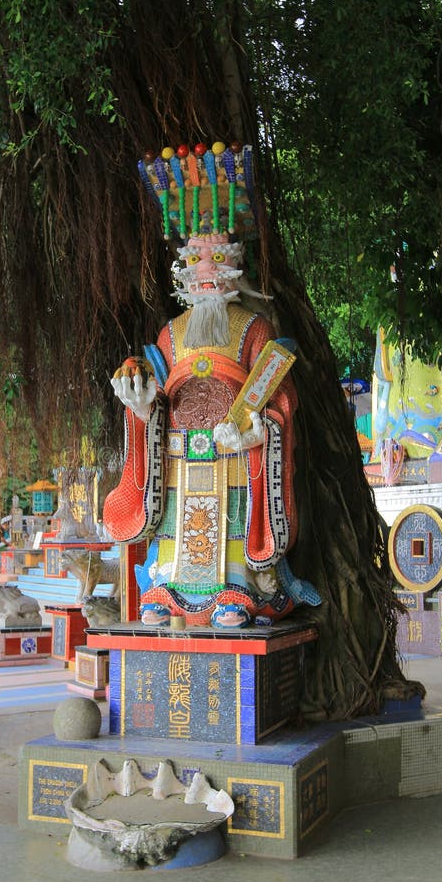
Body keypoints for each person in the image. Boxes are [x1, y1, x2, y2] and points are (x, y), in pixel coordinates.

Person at [103, 141, 320, 627]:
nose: (206, 270)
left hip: (234, 456)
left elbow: (280, 399)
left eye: (217, 257)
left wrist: (257, 431)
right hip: (179, 457)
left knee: (233, 523)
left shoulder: (254, 328)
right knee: (176, 524)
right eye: (196, 257)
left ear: (235, 265)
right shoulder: (170, 334)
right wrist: (141, 409)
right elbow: (158, 399)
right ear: (183, 267)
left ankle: (238, 587)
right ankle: (165, 588)